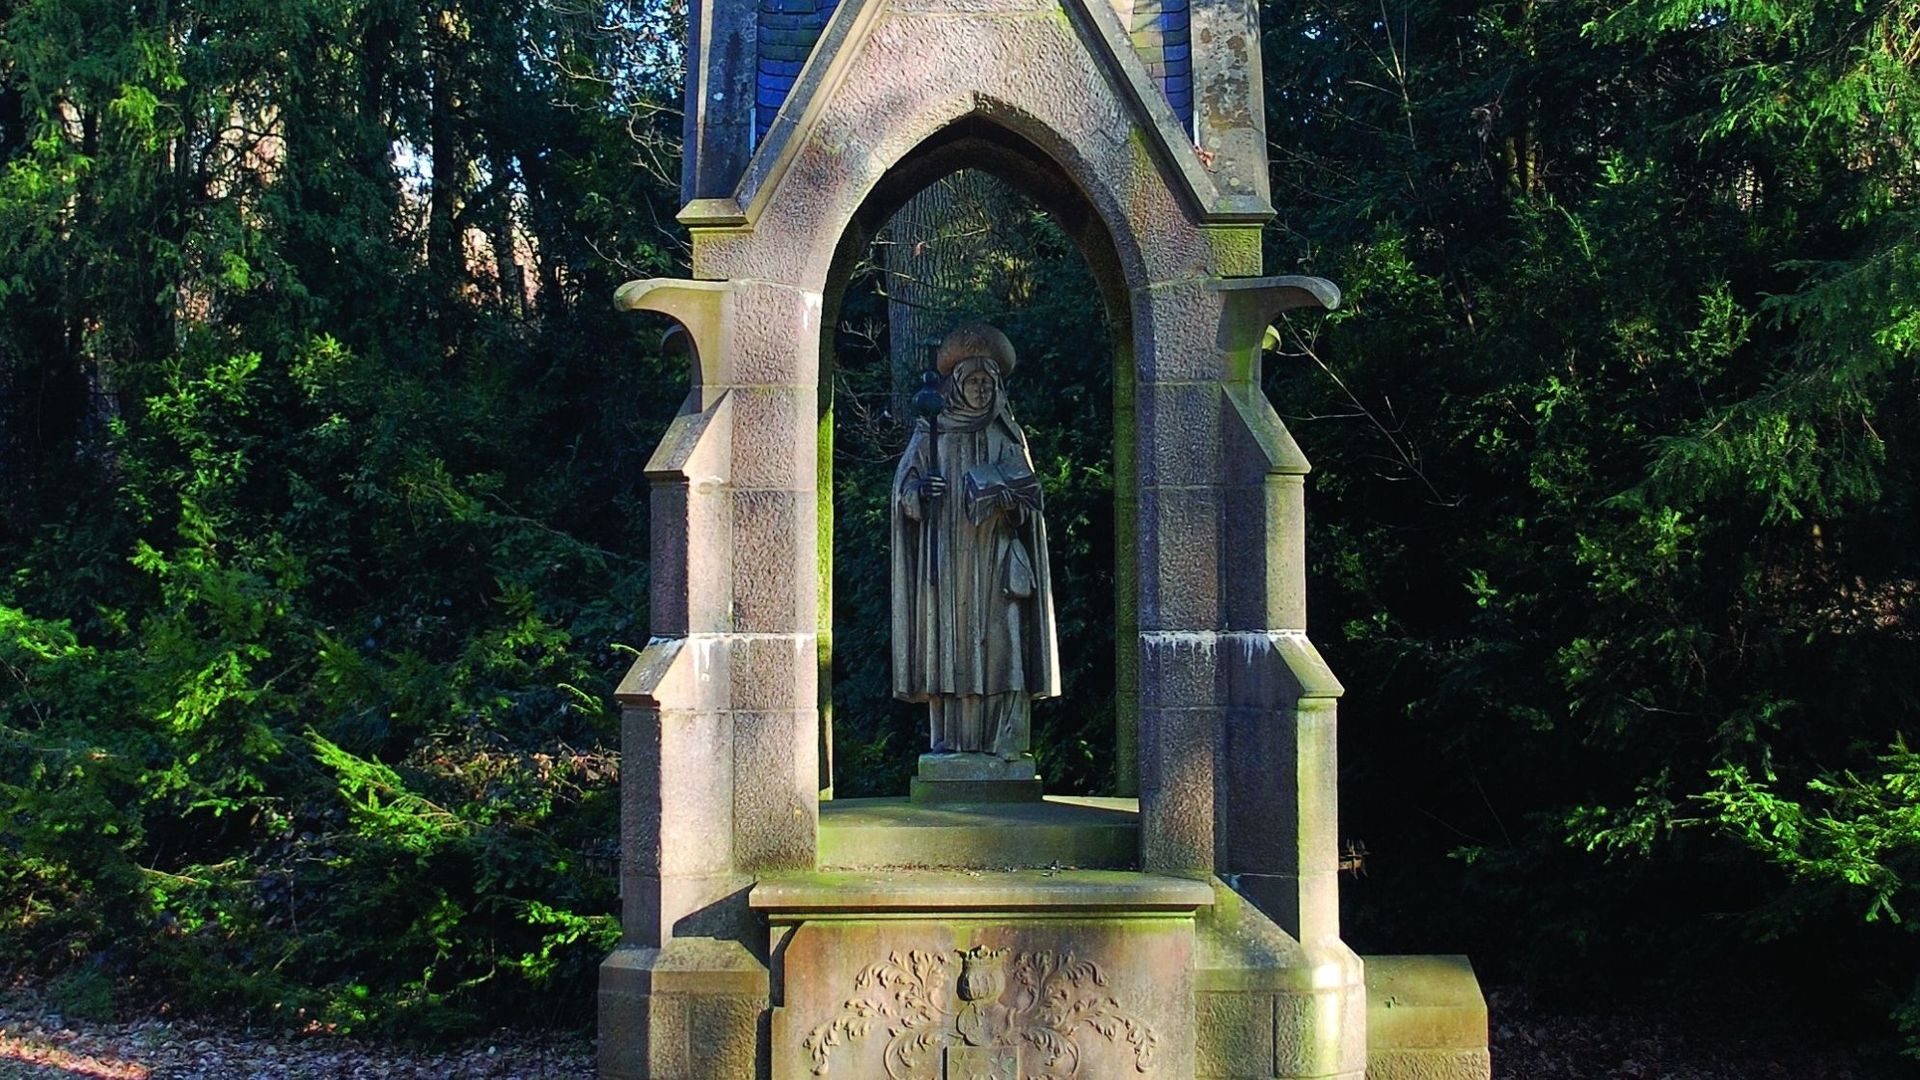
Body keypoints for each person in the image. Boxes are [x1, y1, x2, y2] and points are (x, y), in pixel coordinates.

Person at [890, 324, 1061, 758]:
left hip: (997, 557)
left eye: (988, 382)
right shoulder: (933, 431)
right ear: (957, 385)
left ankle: (1004, 739)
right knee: (950, 644)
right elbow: (904, 491)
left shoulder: (1007, 434)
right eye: (973, 382)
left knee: (1004, 644)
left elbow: (1028, 500)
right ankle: (951, 739)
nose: (981, 390)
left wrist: (1012, 500)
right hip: (947, 558)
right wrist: (917, 495)